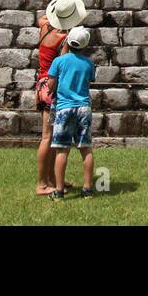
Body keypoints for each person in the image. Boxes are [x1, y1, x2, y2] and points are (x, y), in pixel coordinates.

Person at [35, 0, 87, 196]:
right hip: (52, 87)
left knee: (52, 136)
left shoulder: (44, 27)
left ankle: (51, 178)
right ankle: (41, 183)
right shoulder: (63, 40)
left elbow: (42, 18)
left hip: (41, 84)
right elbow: (63, 65)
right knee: (48, 137)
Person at [46, 25, 96, 201]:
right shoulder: (89, 63)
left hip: (64, 107)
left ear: (68, 41)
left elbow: (51, 85)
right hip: (83, 107)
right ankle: (88, 189)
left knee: (62, 150)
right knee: (86, 148)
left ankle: (59, 191)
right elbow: (89, 79)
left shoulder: (59, 62)